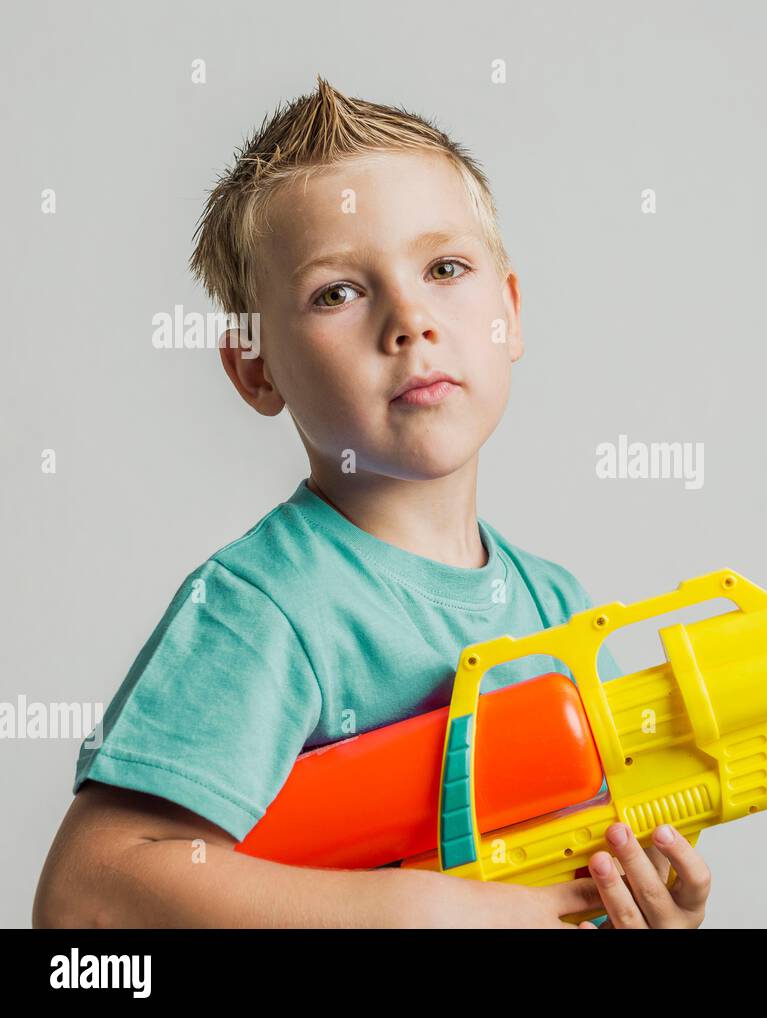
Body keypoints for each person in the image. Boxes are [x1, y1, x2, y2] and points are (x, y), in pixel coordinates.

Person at [32, 76, 710, 929]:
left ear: (509, 312)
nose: (409, 318)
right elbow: (87, 898)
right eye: (337, 293)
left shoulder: (557, 607)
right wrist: (411, 912)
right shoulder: (262, 609)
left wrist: (641, 913)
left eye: (446, 268)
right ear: (255, 368)